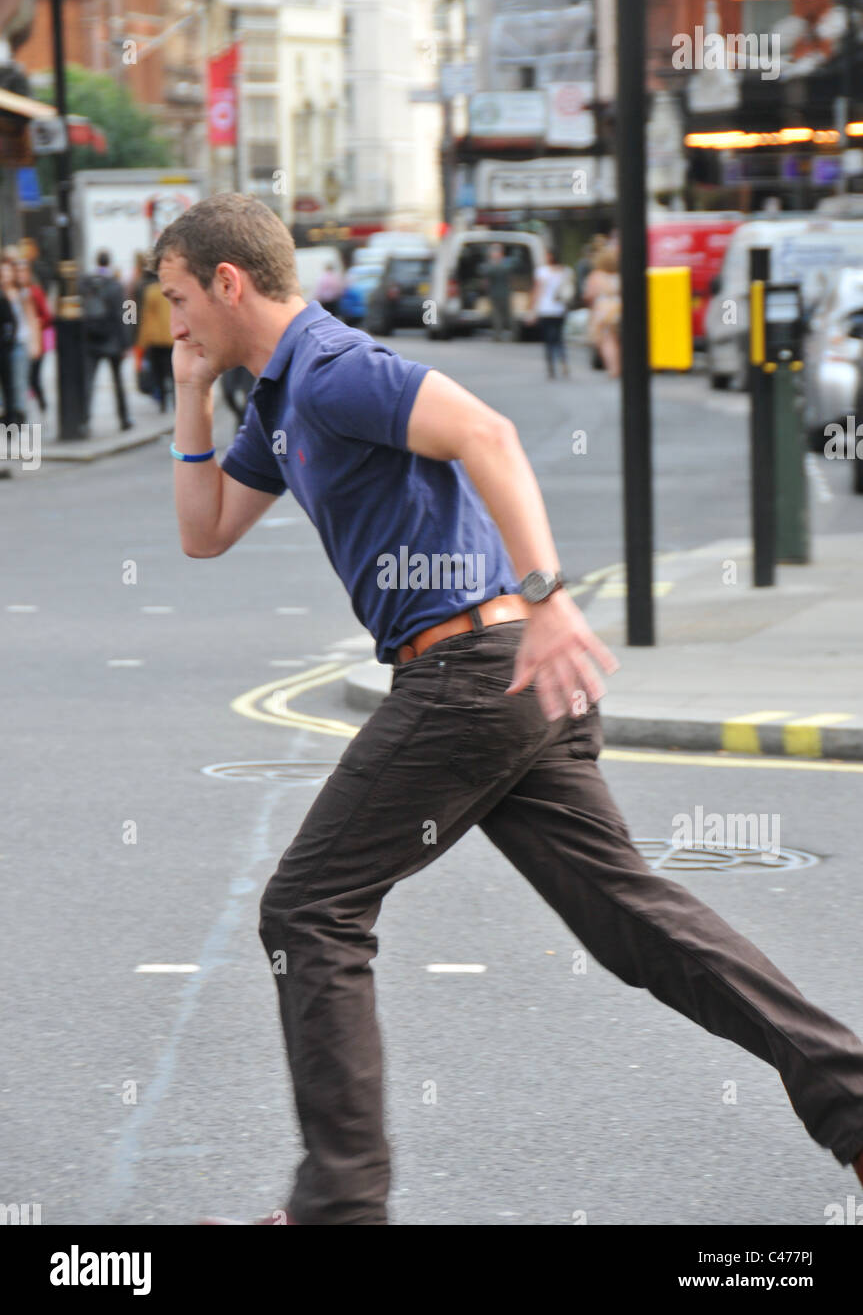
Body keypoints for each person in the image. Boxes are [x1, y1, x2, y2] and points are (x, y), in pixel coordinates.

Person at [151, 192, 863, 1227]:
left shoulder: (336, 369)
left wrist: (549, 598)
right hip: (493, 683)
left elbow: (485, 429)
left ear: (229, 281)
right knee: (633, 924)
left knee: (306, 908)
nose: (172, 321)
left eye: (178, 300)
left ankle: (340, 1206)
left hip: (471, 670)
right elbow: (205, 531)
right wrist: (189, 393)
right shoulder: (274, 400)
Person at [81, 250, 133, 431]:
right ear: (109, 262)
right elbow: (124, 316)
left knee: (88, 382)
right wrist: (127, 343)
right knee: (118, 382)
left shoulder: (86, 283)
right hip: (113, 340)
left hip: (91, 340)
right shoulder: (116, 285)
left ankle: (84, 420)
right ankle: (124, 418)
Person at [528, 245, 574, 379]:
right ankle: (563, 362)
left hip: (546, 309)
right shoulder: (565, 271)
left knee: (549, 340)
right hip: (560, 309)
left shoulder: (542, 272)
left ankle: (551, 367)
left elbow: (537, 291)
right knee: (559, 338)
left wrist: (532, 309)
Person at [15, 255, 52, 414]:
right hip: (19, 342)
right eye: (19, 271)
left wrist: (37, 322)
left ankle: (43, 406)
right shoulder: (13, 293)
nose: (21, 275)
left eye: (24, 271)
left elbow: (47, 316)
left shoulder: (35, 292)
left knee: (33, 379)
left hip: (35, 342)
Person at [136, 270, 175, 412]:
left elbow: (145, 316)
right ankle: (175, 400)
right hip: (171, 336)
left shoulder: (149, 290)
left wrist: (140, 340)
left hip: (155, 338)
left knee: (158, 372)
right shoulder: (173, 289)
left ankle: (163, 402)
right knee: (172, 371)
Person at [0, 254, 30, 427]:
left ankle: (18, 419)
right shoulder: (2, 293)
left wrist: (35, 343)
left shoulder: (21, 292)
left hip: (18, 343)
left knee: (17, 383)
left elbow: (27, 319)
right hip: (5, 345)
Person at [584, 242, 621, 377]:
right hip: (618, 307)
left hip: (603, 309)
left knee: (606, 340)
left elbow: (589, 295)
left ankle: (613, 368)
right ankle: (618, 366)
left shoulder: (596, 275)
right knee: (615, 339)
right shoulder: (617, 275)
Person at [478, 242, 514, 341]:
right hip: (504, 292)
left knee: (498, 315)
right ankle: (513, 334)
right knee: (507, 315)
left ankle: (498, 335)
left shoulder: (491, 266)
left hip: (495, 293)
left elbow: (485, 278)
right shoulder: (506, 265)